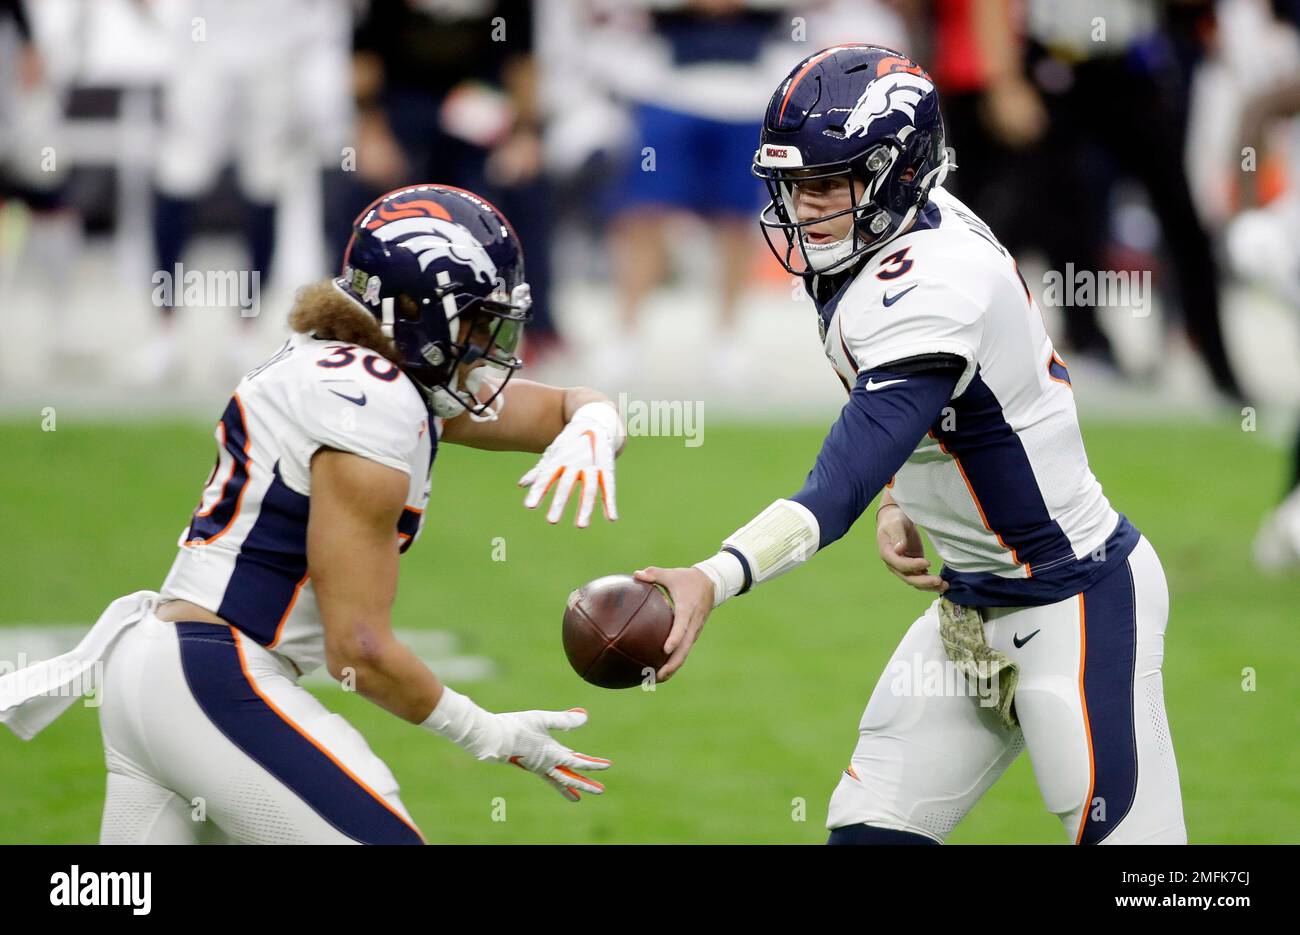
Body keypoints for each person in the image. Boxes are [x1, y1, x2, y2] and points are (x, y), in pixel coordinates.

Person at [635, 45, 1186, 845]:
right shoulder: (894, 232)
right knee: (869, 834)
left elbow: (837, 484)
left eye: (829, 184)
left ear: (899, 172)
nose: (807, 209)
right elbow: (921, 410)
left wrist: (711, 578)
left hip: (1075, 601)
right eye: (794, 186)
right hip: (966, 607)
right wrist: (909, 493)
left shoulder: (932, 282)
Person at [1, 184, 624, 843]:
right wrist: (492, 733)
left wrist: (593, 423)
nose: (485, 342)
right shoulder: (373, 398)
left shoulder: (359, 371)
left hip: (162, 673)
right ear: (415, 307)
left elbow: (561, 407)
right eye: (473, 319)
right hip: (215, 676)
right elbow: (359, 648)